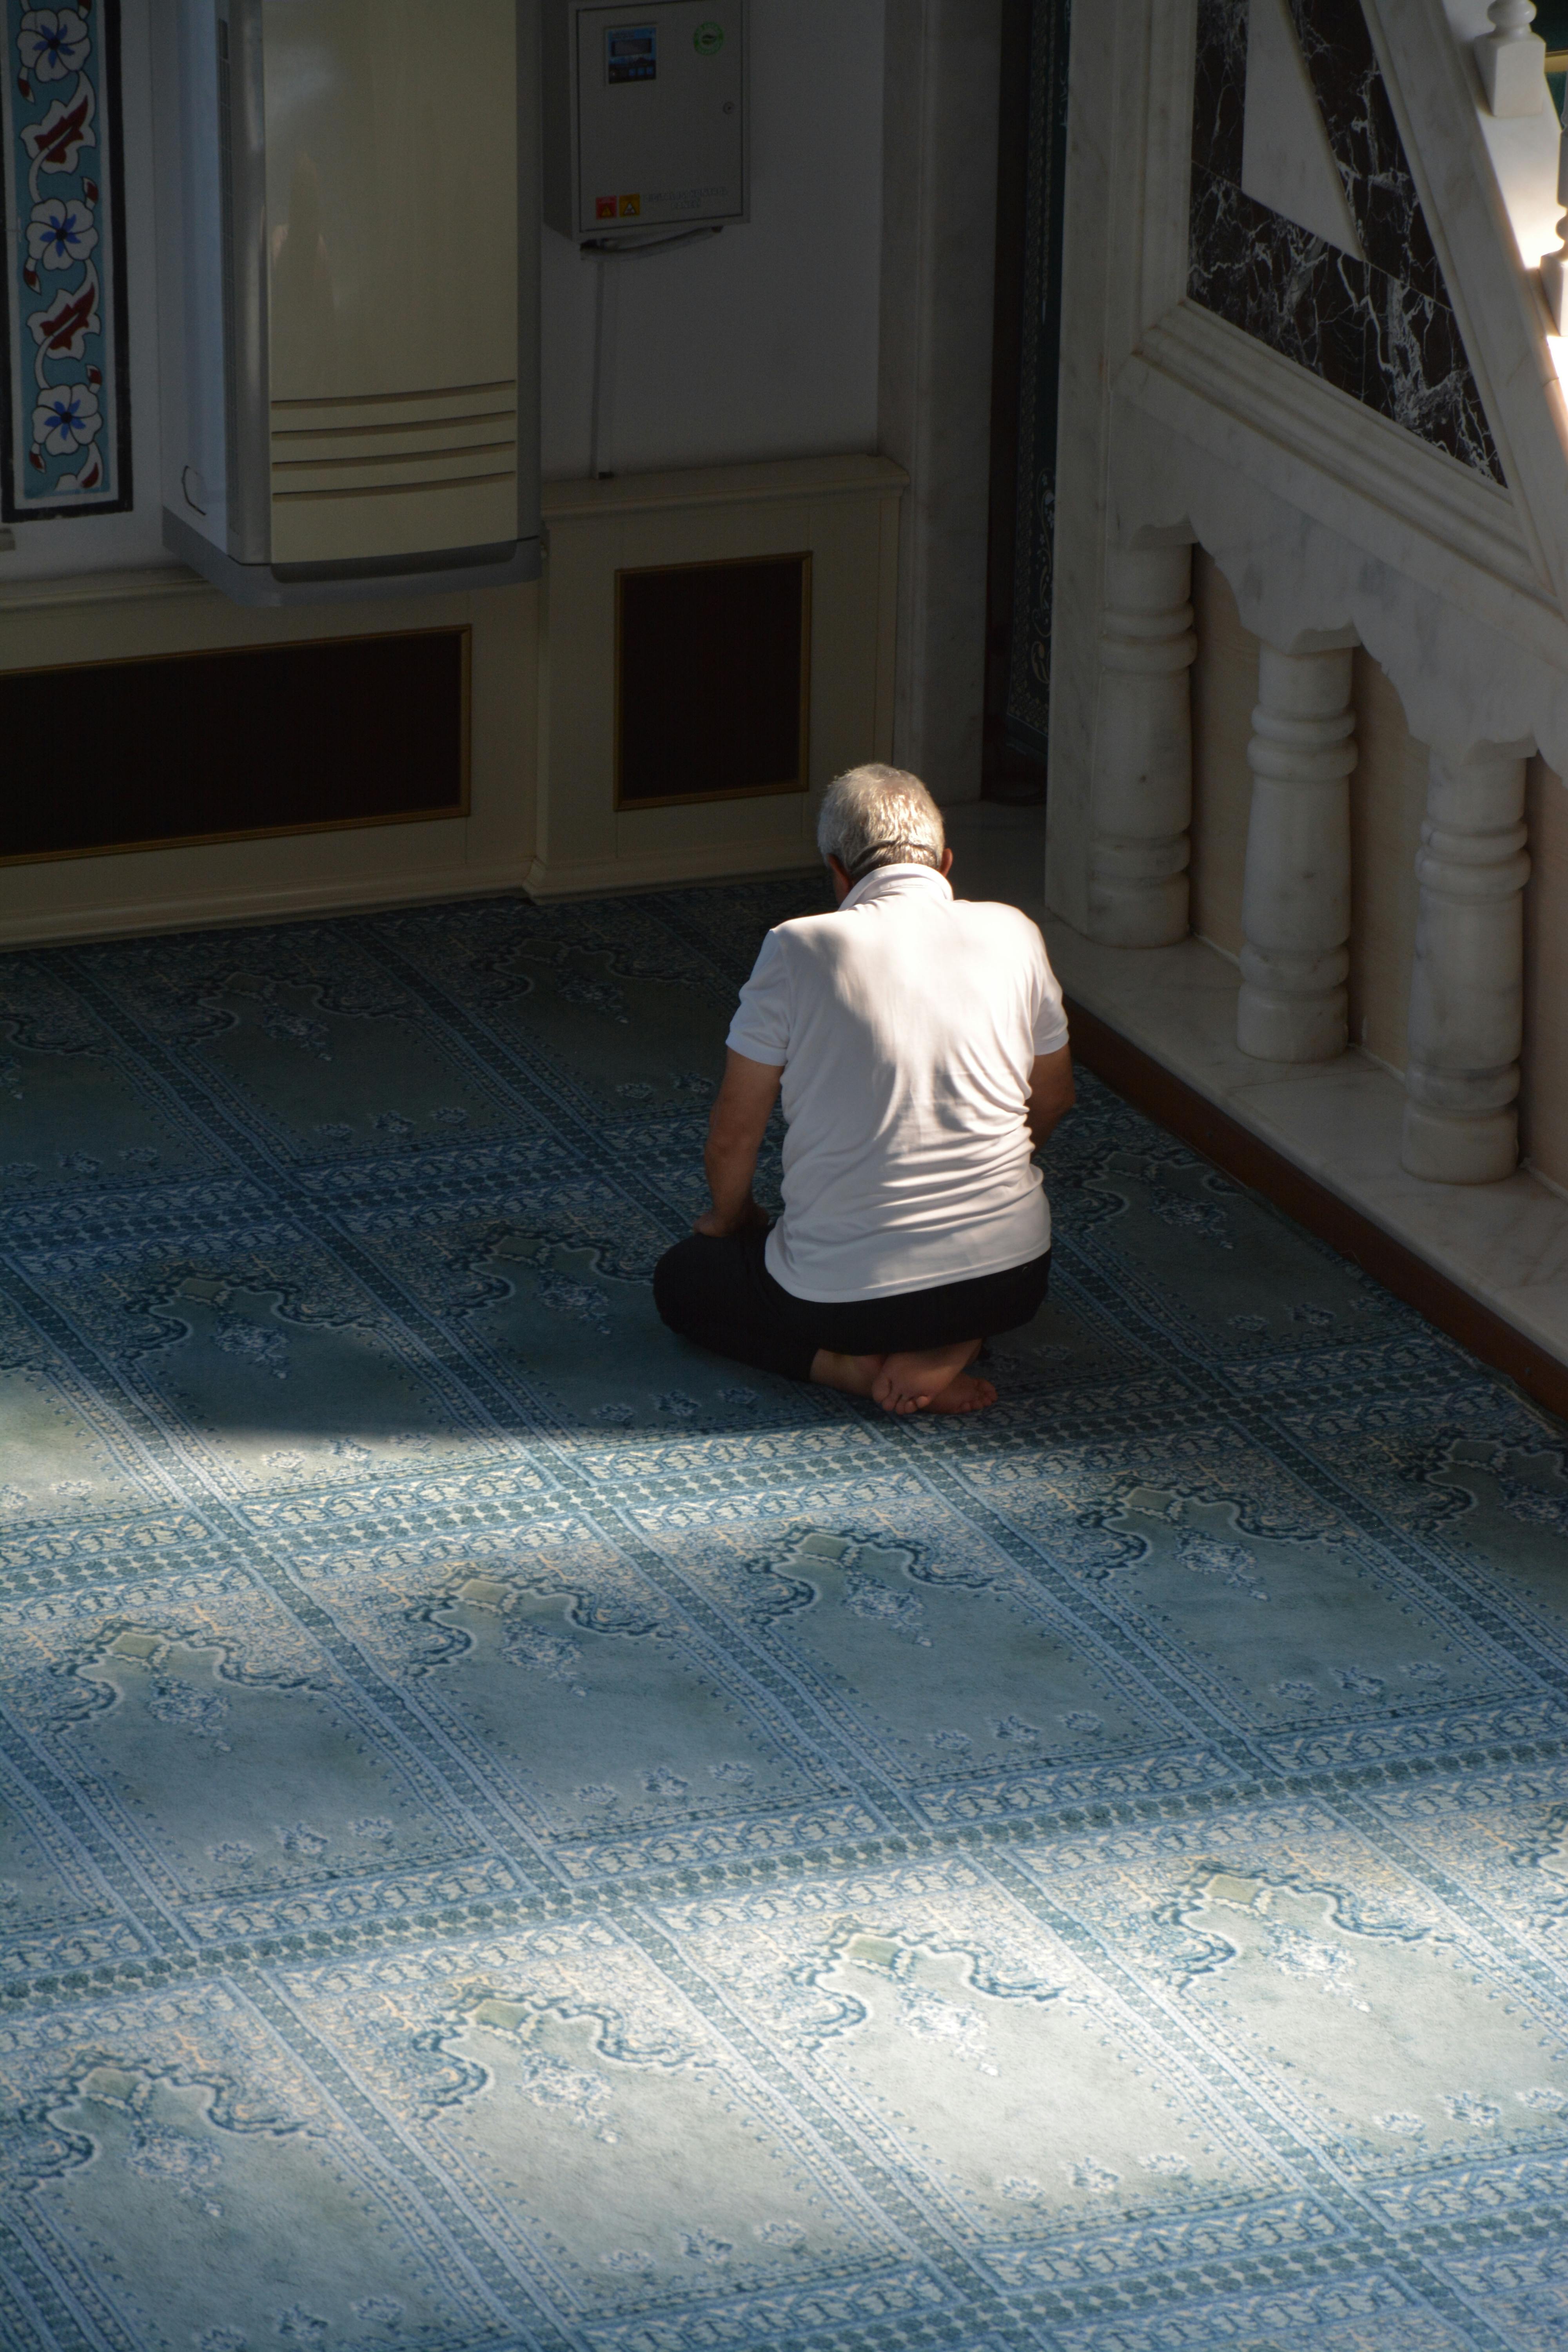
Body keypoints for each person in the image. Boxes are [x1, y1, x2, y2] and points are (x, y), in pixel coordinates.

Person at [653, 764, 1075, 1414]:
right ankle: (954, 1337)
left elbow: (733, 1136)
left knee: (684, 1282)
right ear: (946, 863)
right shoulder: (1015, 931)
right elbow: (1052, 1099)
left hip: (842, 1303)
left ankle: (847, 1368)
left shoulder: (797, 948)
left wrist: (730, 1222)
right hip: (1015, 1280)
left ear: (838, 872)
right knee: (971, 1267)